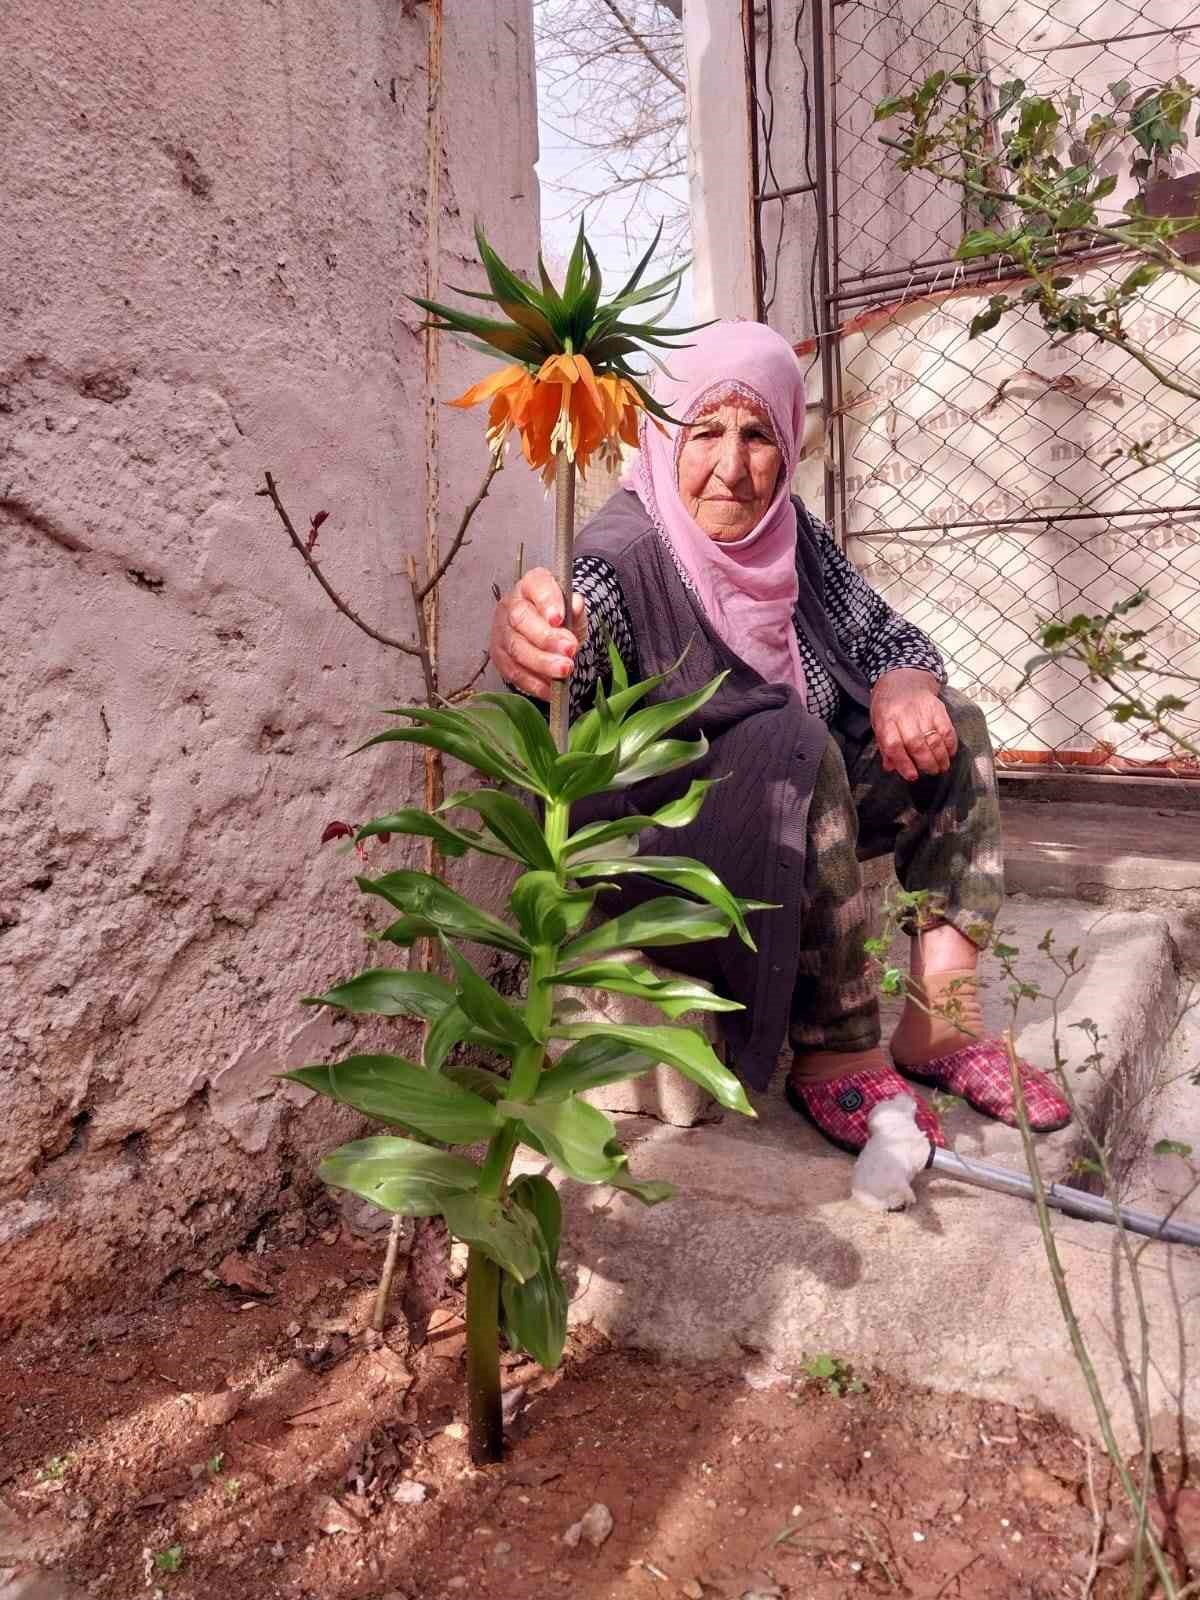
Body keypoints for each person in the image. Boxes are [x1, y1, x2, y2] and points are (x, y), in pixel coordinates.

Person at [487, 319, 1070, 1153]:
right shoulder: (623, 554)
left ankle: (941, 1020)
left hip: (801, 800)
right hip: (672, 841)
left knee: (957, 722)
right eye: (704, 432)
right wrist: (535, 643)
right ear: (662, 437)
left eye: (757, 435)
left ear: (789, 443)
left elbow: (888, 638)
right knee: (801, 744)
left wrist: (904, 683)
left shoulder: (791, 532)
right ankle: (834, 1044)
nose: (732, 467)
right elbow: (570, 649)